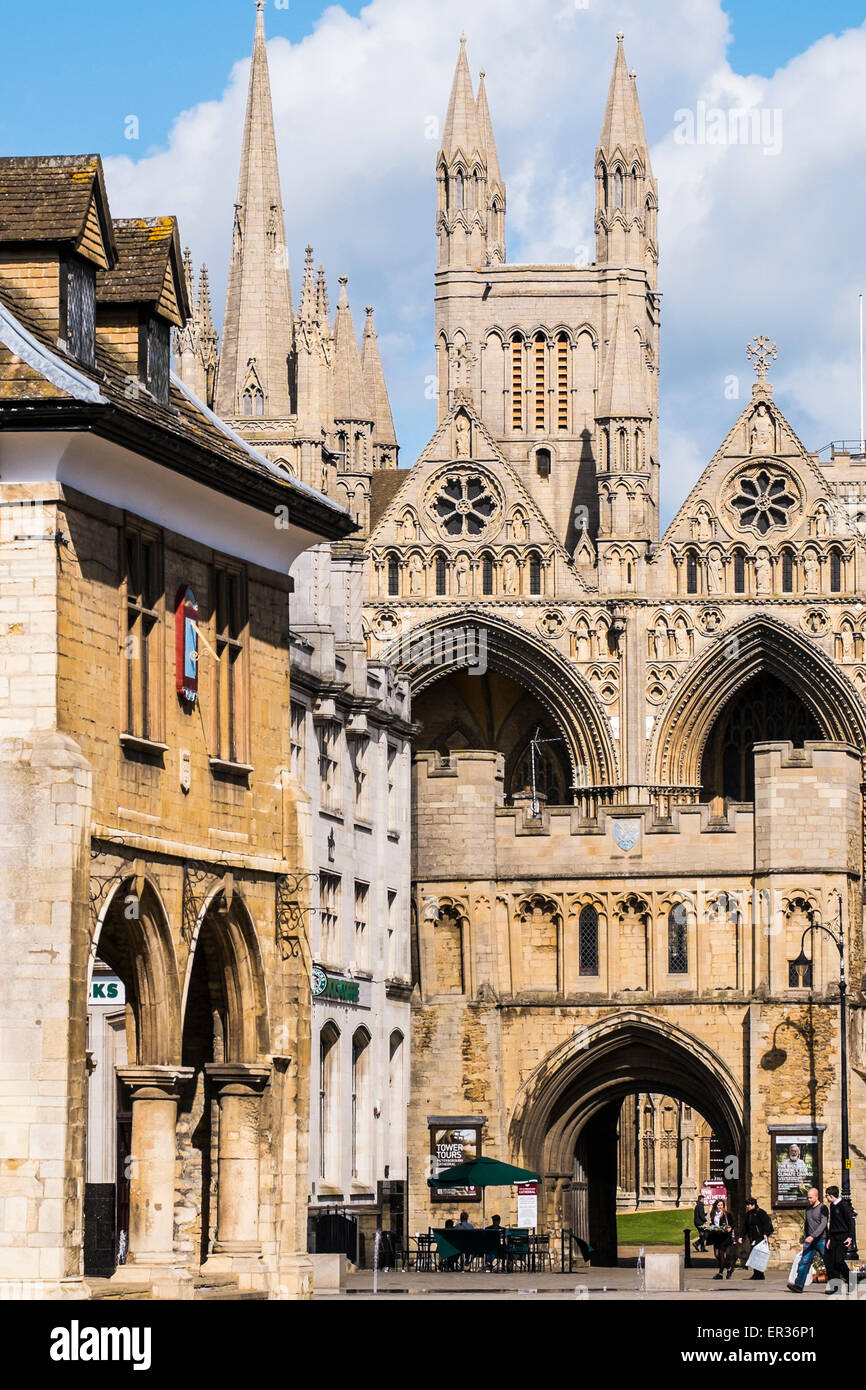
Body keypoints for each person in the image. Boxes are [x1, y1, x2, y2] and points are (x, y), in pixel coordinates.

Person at [788, 1187, 828, 1291]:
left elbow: (823, 1224)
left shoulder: (823, 1208)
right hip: (810, 1241)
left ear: (816, 1196)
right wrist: (806, 1237)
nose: (809, 1200)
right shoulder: (808, 1209)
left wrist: (813, 1236)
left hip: (821, 1240)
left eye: (811, 1198)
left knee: (828, 1262)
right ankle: (798, 1285)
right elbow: (806, 1224)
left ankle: (834, 1285)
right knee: (804, 1262)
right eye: (808, 1198)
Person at [824, 1186, 856, 1294]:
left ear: (831, 1195)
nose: (826, 1198)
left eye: (827, 1195)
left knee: (839, 1261)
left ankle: (851, 1280)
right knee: (833, 1263)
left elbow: (850, 1222)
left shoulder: (844, 1205)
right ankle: (835, 1287)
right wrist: (829, 1238)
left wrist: (850, 1237)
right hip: (834, 1237)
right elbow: (832, 1223)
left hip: (843, 1236)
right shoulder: (832, 1206)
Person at [737, 1196, 773, 1281]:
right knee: (755, 1255)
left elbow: (767, 1224)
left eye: (748, 1205)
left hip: (760, 1237)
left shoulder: (760, 1213)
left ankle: (759, 1274)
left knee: (757, 1255)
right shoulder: (748, 1214)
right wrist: (741, 1236)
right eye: (747, 1205)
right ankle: (757, 1274)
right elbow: (745, 1227)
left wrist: (765, 1233)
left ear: (753, 1205)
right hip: (752, 1237)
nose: (747, 1206)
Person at [706, 1198, 735, 1279]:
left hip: (724, 1236)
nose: (720, 1207)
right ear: (716, 1206)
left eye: (721, 1205)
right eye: (719, 1205)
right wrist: (709, 1224)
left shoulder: (727, 1214)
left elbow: (732, 1223)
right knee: (717, 1255)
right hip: (716, 1236)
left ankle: (720, 1273)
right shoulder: (713, 1213)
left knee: (721, 1254)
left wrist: (730, 1228)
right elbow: (712, 1222)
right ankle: (729, 1268)